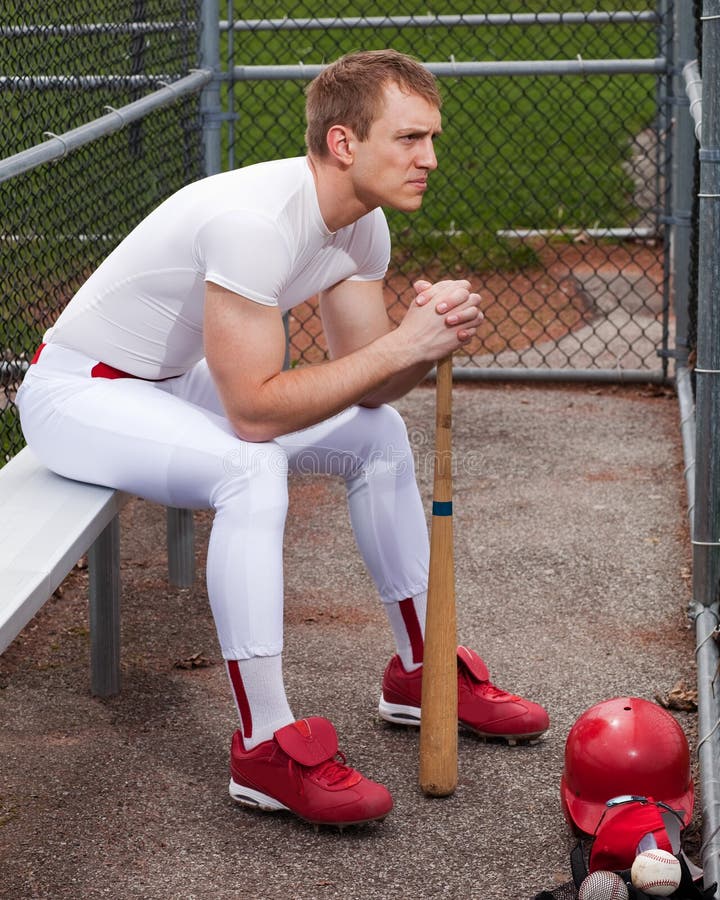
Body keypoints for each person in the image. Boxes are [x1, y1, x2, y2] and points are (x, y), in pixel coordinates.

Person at [16, 49, 549, 828]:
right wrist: (402, 347)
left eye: (432, 137)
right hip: (78, 391)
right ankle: (265, 747)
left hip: (166, 385)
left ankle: (423, 674)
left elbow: (368, 383)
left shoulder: (362, 228)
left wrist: (420, 339)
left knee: (380, 436)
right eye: (408, 138)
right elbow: (256, 416)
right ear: (343, 143)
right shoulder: (255, 220)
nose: (429, 158)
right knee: (250, 468)